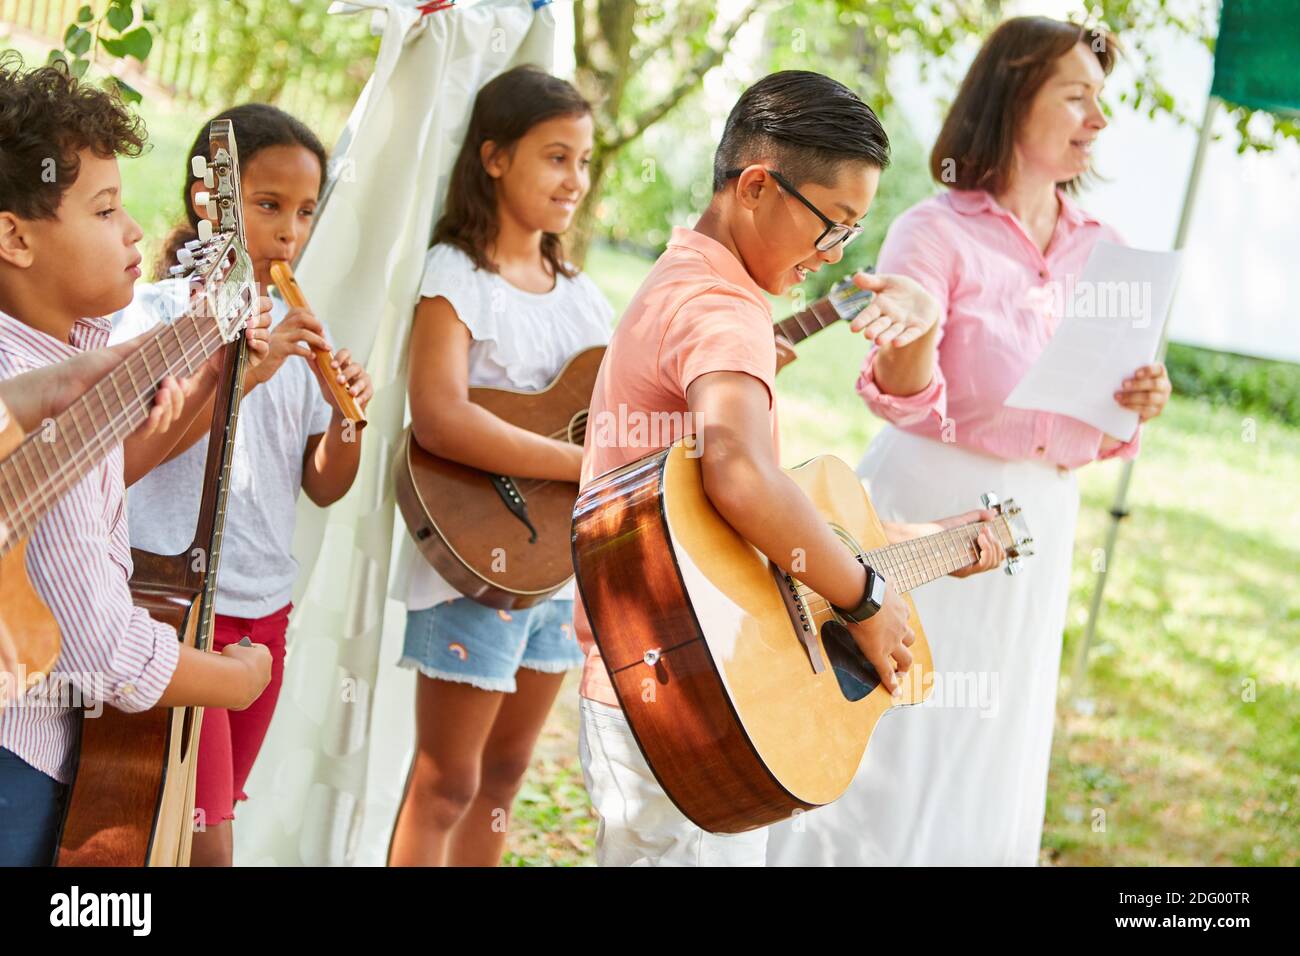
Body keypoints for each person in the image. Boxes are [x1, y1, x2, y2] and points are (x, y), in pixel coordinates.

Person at [767, 17, 1172, 867]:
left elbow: (1101, 425)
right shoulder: (936, 229)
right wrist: (911, 324)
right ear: (1015, 95)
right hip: (929, 512)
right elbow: (907, 391)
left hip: (1040, 523)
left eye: (1102, 100)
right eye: (1077, 96)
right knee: (897, 726)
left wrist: (1141, 397)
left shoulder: (1109, 253)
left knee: (994, 737)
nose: (1098, 119)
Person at [575, 69, 1004, 867]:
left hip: (674, 684)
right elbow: (739, 474)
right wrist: (868, 598)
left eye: (853, 232)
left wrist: (916, 541)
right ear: (757, 187)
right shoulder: (723, 308)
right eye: (833, 224)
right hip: (693, 705)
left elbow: (731, 527)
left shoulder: (685, 277)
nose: (836, 253)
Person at [0, 54, 271, 867]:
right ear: (14, 237)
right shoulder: (27, 379)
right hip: (21, 767)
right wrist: (235, 681)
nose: (132, 232)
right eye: (105, 208)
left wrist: (213, 376)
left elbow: (60, 504)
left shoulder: (44, 359)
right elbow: (100, 651)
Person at [109, 102, 373, 867]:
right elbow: (142, 453)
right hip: (176, 610)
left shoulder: (295, 327)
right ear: (210, 203)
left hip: (265, 616)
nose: (290, 233)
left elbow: (322, 487)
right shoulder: (157, 314)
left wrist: (347, 418)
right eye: (267, 206)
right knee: (207, 847)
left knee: (202, 832)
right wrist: (251, 371)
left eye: (304, 212)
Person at [387, 66, 614, 867]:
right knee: (447, 779)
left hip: (554, 562)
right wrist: (579, 461)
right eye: (556, 157)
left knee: (507, 772)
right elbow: (442, 417)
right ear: (493, 158)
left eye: (583, 161)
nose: (575, 180)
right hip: (475, 559)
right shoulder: (458, 277)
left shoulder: (581, 294)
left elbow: (618, 409)